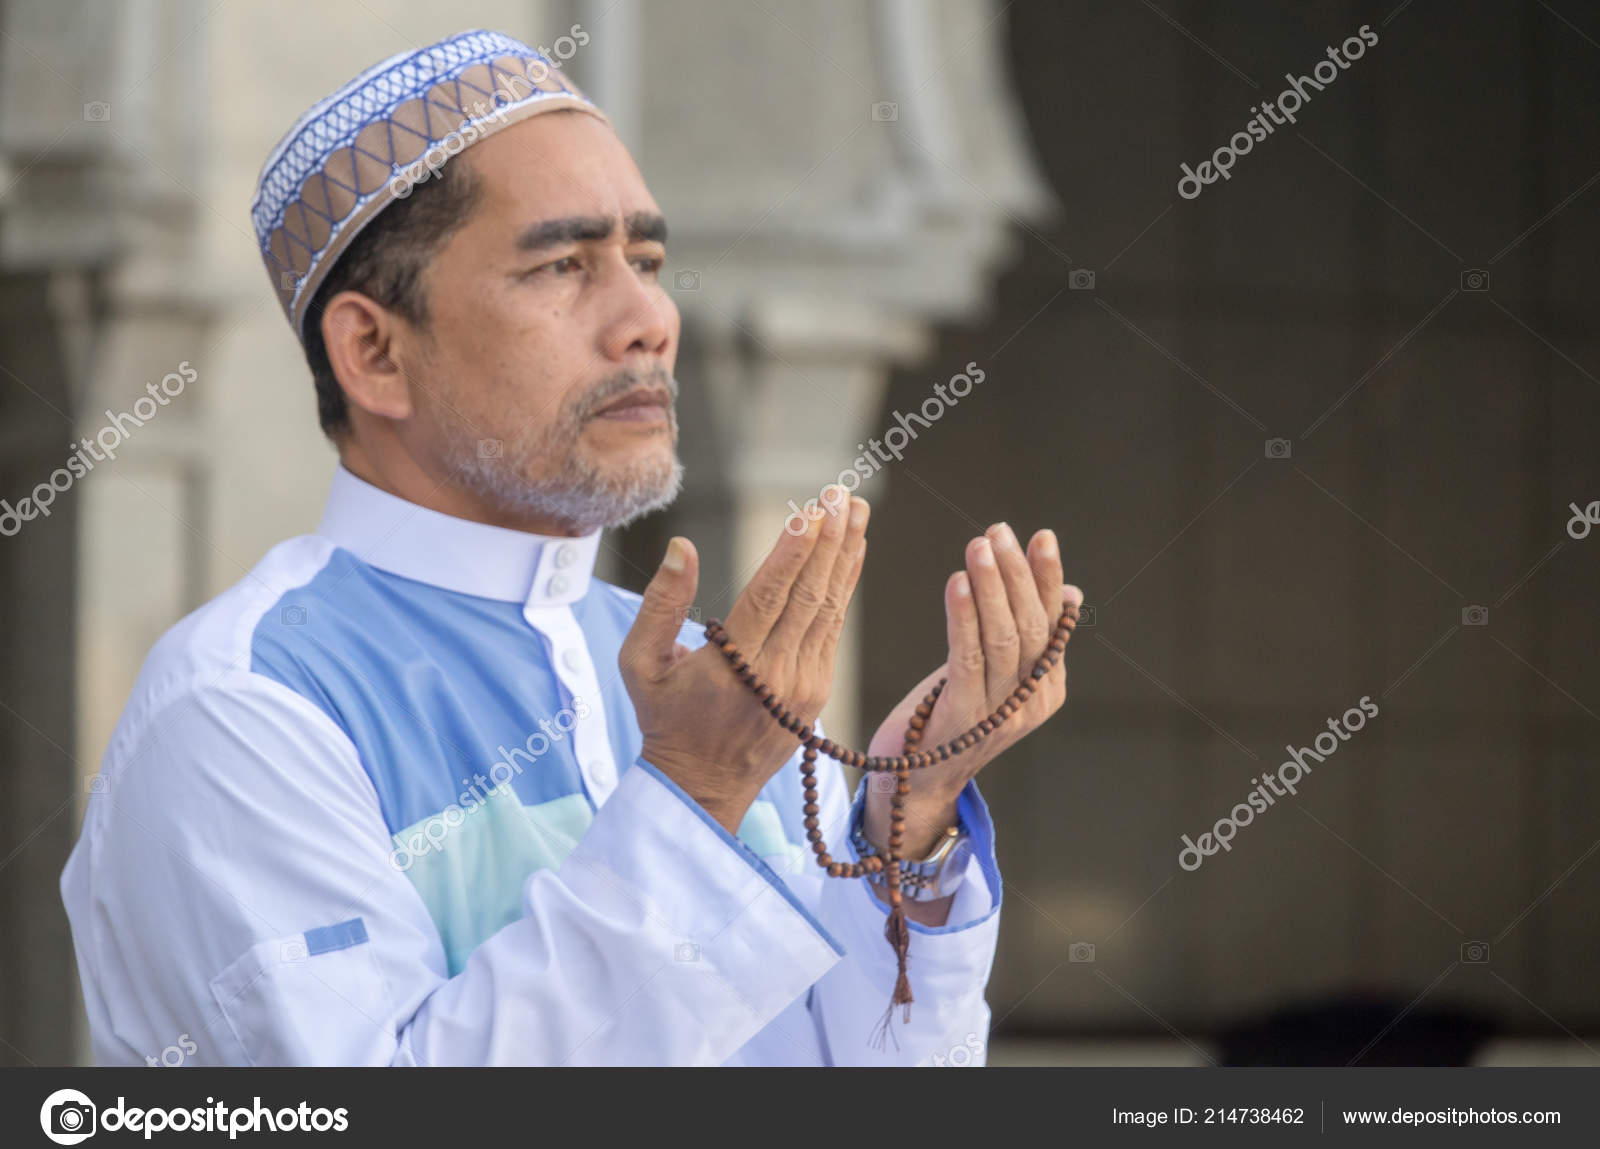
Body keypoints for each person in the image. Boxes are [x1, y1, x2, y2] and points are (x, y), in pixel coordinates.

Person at [60, 29, 1081, 1066]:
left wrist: (906, 821)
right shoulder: (244, 709)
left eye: (646, 260)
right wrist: (693, 799)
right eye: (561, 265)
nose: (647, 319)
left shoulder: (711, 692)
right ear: (373, 352)